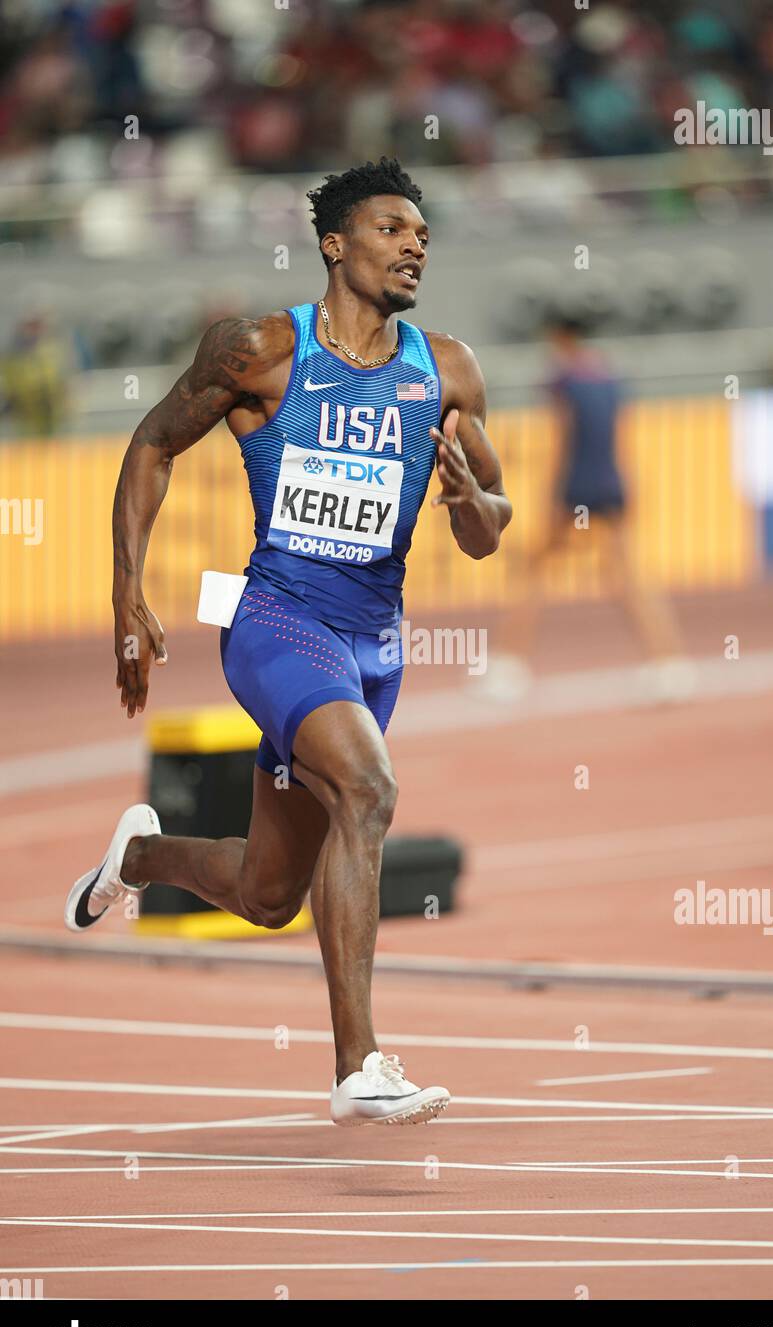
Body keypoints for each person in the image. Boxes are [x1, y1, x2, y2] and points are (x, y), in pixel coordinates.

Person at [64, 158, 512, 1126]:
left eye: (422, 234)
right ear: (334, 243)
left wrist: (474, 505)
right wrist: (124, 591)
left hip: (372, 646)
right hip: (274, 621)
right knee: (370, 785)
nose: (413, 245)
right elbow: (151, 442)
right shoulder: (262, 349)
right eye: (392, 229)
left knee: (270, 893)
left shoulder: (447, 369)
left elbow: (488, 525)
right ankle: (359, 1063)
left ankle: (138, 861)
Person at [483, 310, 690, 701]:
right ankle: (670, 664)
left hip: (576, 485)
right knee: (628, 577)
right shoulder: (611, 375)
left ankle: (509, 667)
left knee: (534, 570)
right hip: (611, 483)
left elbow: (564, 437)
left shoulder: (563, 378)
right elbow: (620, 436)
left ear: (561, 336)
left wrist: (552, 494)